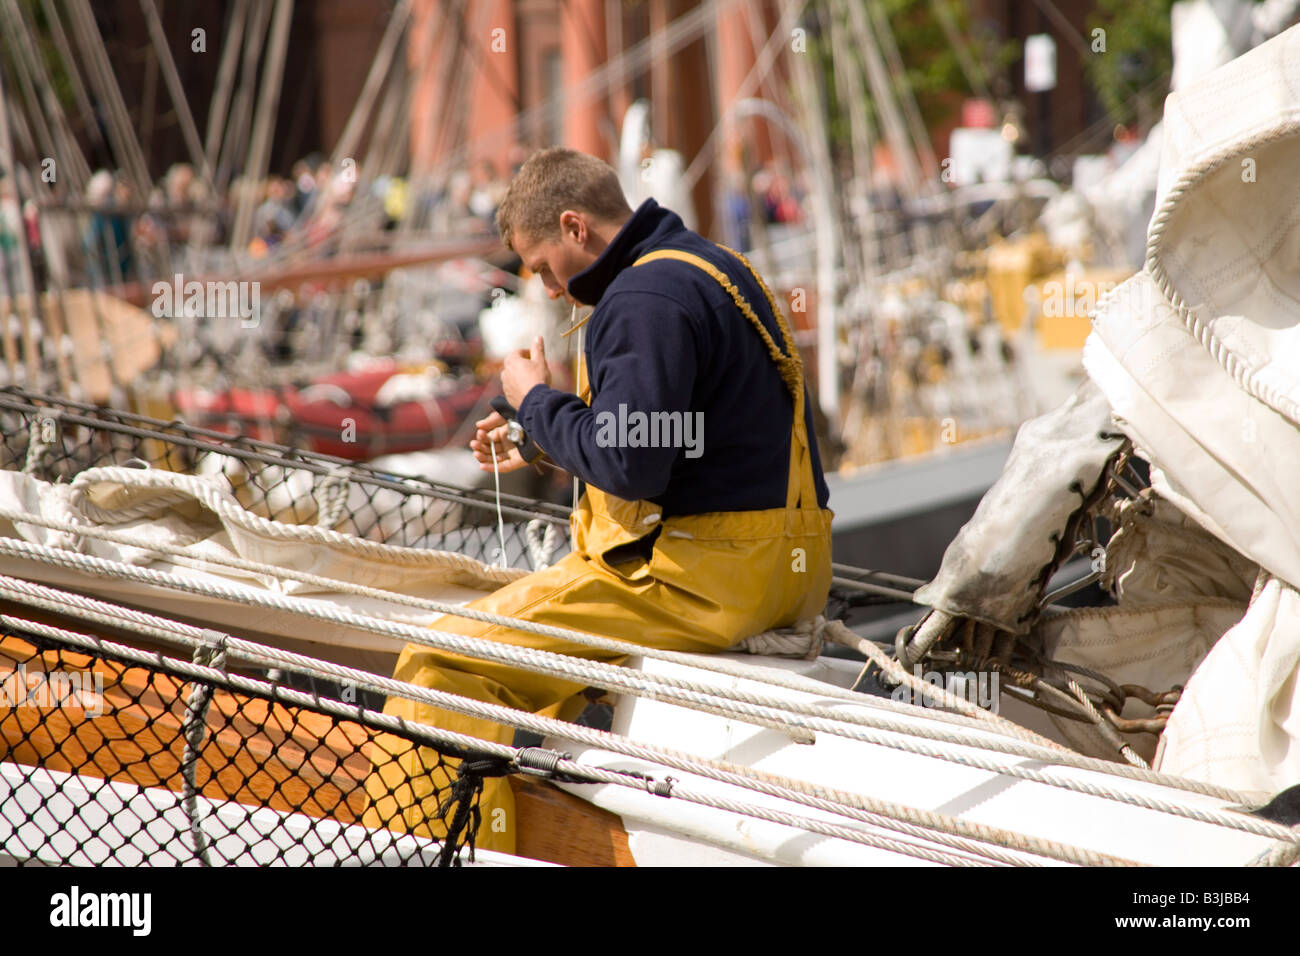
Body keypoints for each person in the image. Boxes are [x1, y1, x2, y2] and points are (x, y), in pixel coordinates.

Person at [364, 147, 834, 855]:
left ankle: (450, 855)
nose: (550, 290)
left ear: (575, 227)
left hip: (697, 585)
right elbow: (684, 444)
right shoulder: (716, 269)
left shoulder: (642, 301)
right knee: (524, 667)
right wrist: (539, 434)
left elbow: (630, 464)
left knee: (440, 661)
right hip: (783, 573)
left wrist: (536, 399)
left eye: (545, 265)